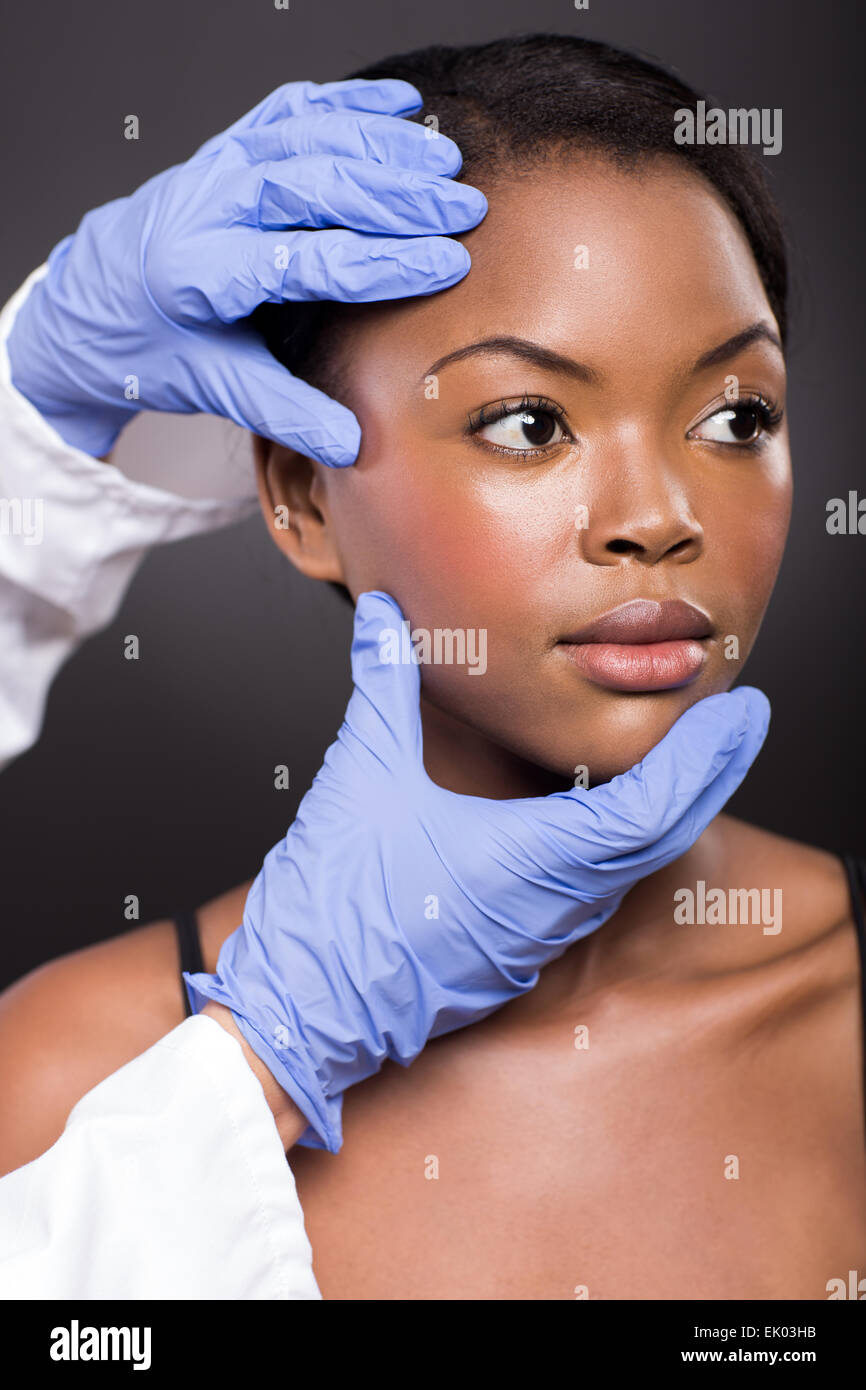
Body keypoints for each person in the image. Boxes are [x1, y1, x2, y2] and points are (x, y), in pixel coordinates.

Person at [2, 35, 859, 1299]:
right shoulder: (66, 1076)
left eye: (736, 414)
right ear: (301, 497)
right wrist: (274, 1041)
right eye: (528, 421)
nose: (656, 512)